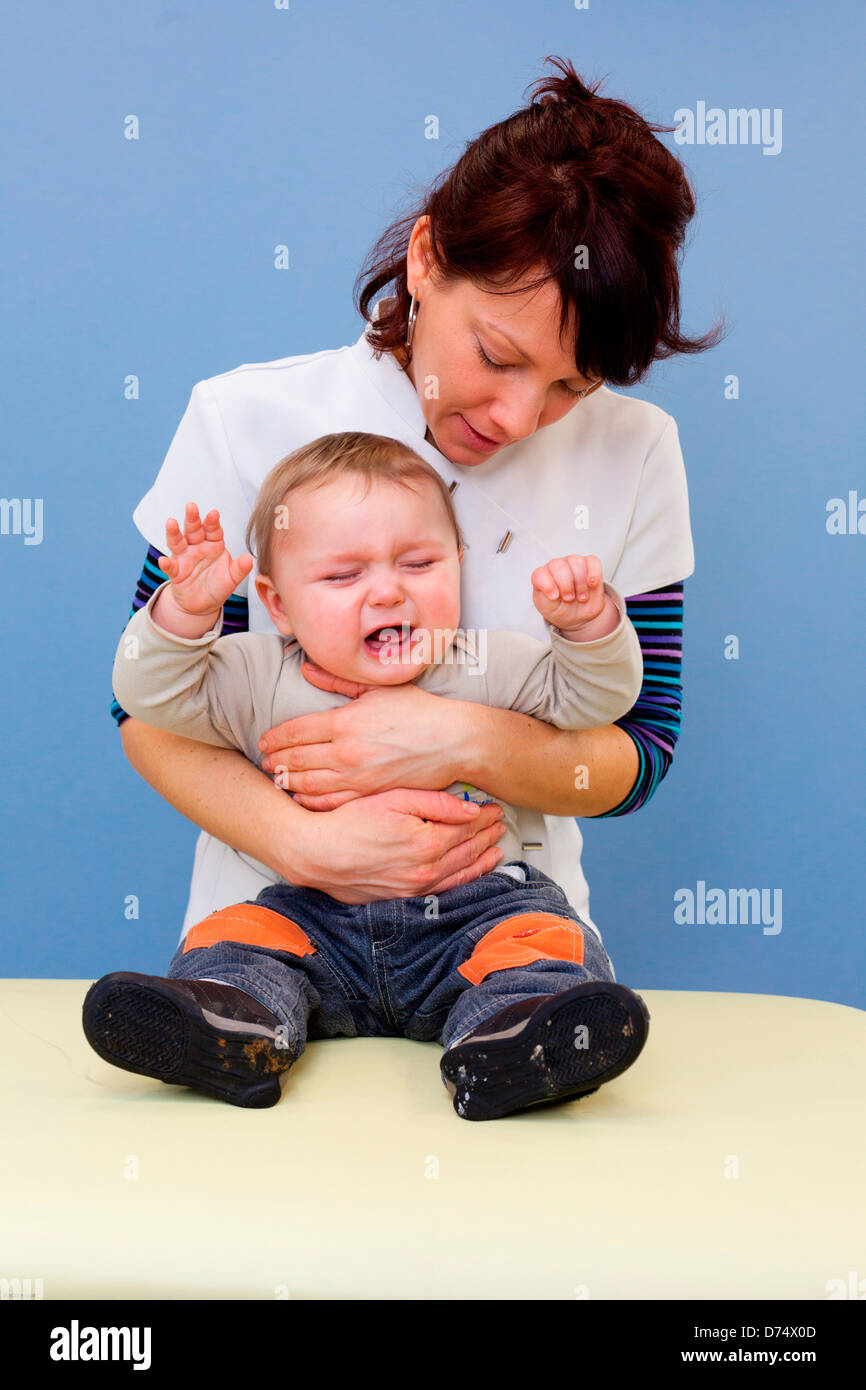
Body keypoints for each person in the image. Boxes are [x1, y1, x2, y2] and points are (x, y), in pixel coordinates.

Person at [101, 58, 723, 1115]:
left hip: (498, 935)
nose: (520, 417)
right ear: (427, 256)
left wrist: (452, 739)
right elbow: (144, 709)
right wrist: (306, 843)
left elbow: (641, 751)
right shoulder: (241, 419)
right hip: (276, 909)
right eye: (496, 354)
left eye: (573, 387)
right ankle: (235, 1017)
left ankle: (519, 1029)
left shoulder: (638, 453)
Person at [87, 432, 648, 1118]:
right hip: (311, 910)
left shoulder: (491, 663)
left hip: (475, 913)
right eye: (343, 576)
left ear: (459, 566)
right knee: (234, 940)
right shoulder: (255, 673)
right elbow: (150, 698)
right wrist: (185, 614)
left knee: (540, 942)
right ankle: (230, 1027)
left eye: (419, 563)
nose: (387, 591)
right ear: (279, 602)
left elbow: (596, 703)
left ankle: (512, 1041)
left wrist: (588, 630)